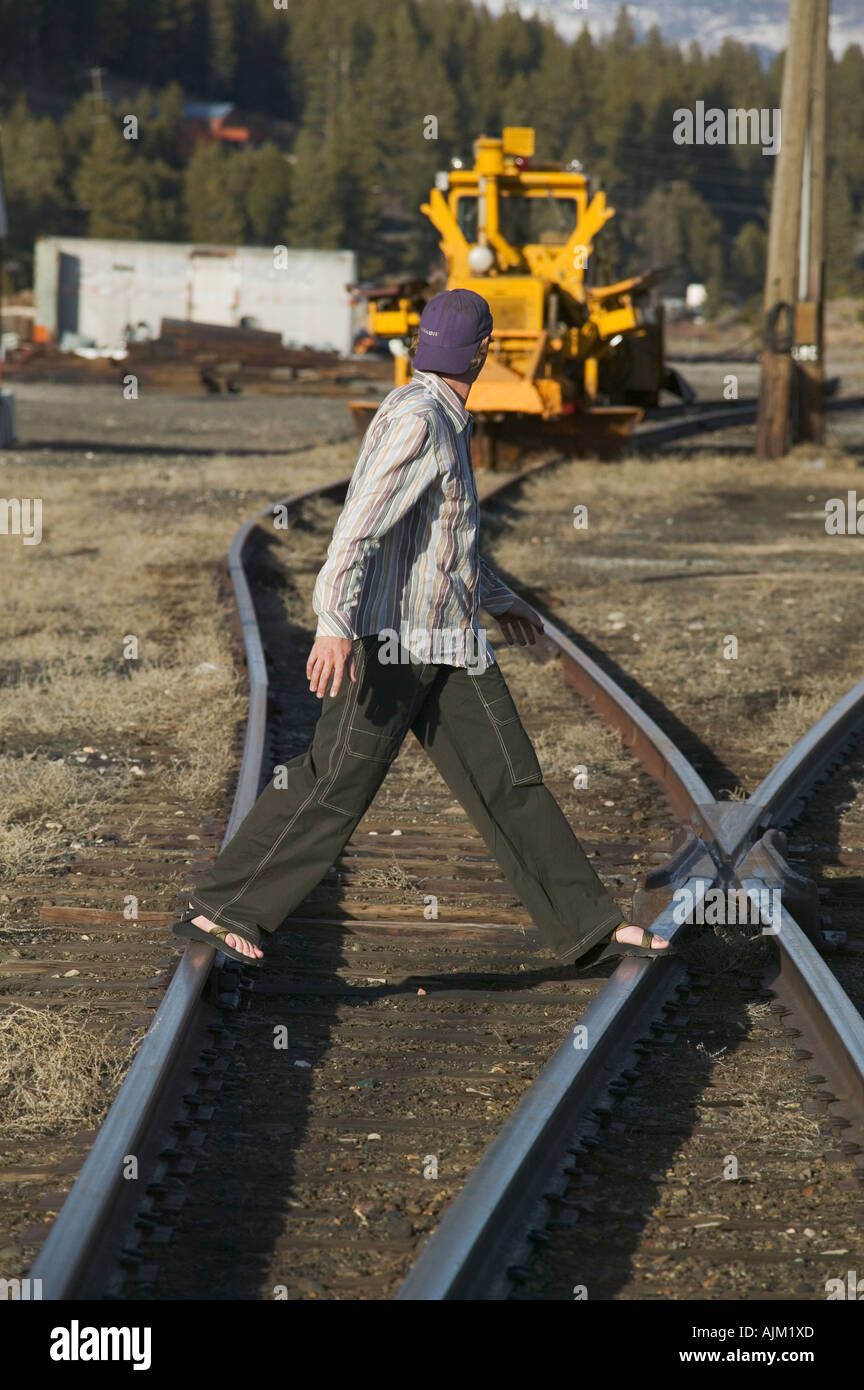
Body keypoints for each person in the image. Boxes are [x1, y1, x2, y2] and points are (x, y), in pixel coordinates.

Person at [173, 289, 671, 968]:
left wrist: (501, 601)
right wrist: (334, 623)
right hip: (390, 646)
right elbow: (357, 531)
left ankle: (587, 925)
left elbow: (444, 543)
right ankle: (224, 908)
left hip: (453, 644)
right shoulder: (419, 420)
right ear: (486, 352)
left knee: (511, 782)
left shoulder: (440, 414)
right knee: (331, 785)